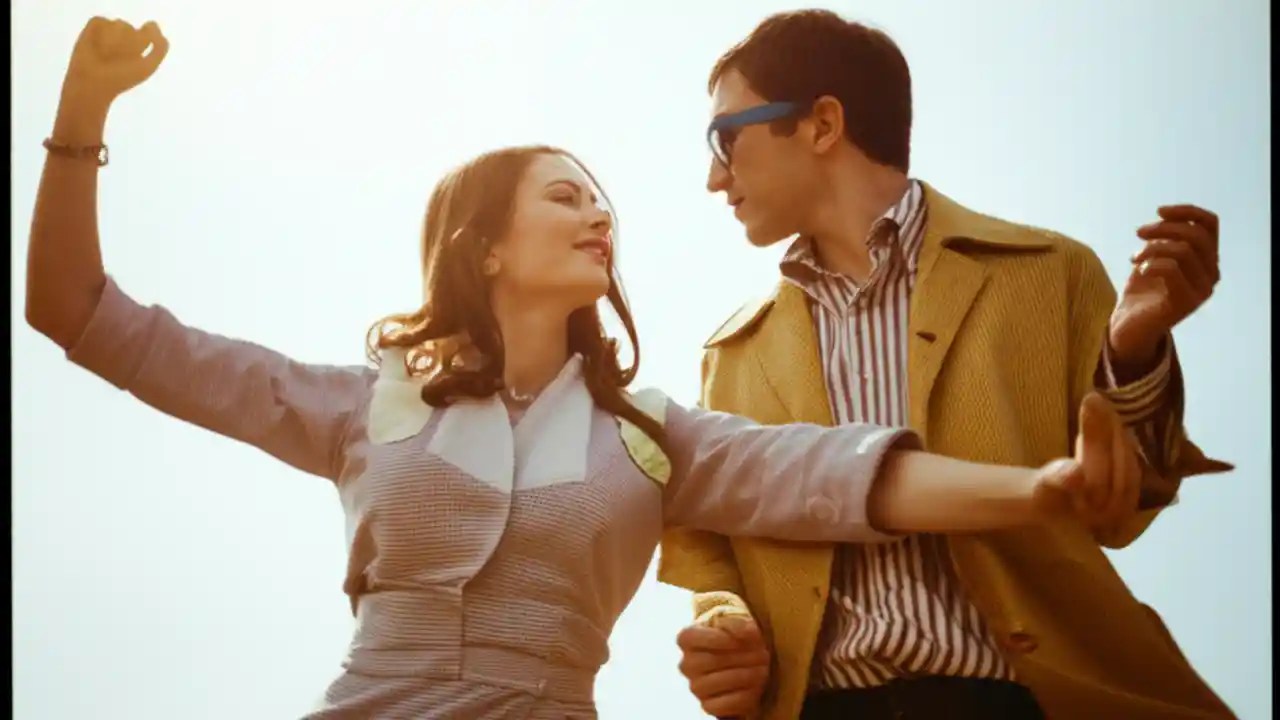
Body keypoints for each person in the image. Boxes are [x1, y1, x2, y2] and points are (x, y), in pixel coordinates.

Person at [24, 16, 1152, 720]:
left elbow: (850, 477)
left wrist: (1040, 488)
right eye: (565, 193)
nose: (599, 212)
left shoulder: (653, 433)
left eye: (601, 197)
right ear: (485, 243)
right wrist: (80, 122)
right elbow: (78, 312)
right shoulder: (358, 403)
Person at [661, 9, 1235, 720]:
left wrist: (1132, 349)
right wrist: (725, 628)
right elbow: (718, 561)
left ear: (821, 124)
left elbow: (1124, 509)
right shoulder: (734, 354)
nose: (716, 178)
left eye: (726, 138)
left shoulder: (1049, 273)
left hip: (1018, 702)